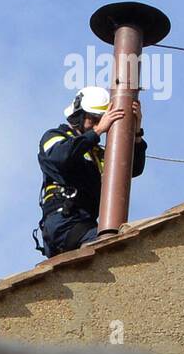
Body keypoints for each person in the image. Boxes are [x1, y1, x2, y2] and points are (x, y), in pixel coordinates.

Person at [36, 87, 146, 256]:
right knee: (113, 249)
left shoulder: (96, 154)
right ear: (79, 115)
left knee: (121, 244)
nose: (98, 124)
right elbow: (60, 157)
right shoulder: (55, 136)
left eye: (101, 120)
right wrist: (97, 131)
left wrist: (137, 132)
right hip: (63, 222)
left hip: (84, 224)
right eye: (94, 119)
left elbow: (132, 168)